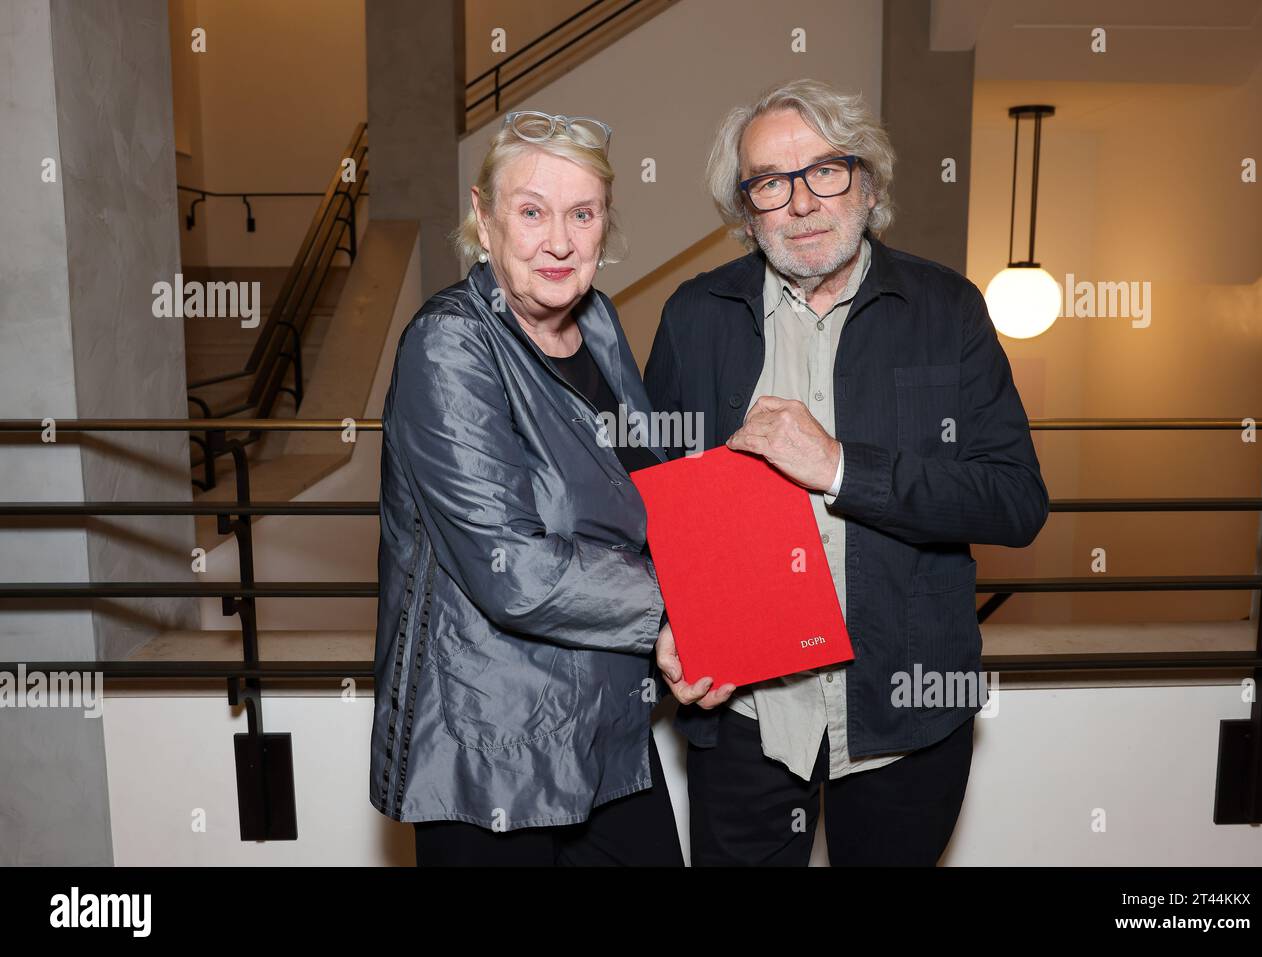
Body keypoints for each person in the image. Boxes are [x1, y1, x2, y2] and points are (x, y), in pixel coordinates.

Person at [646, 79, 1049, 866]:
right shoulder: (695, 317)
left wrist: (839, 466)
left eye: (825, 171)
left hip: (907, 719)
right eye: (770, 182)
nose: (799, 202)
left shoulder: (948, 309)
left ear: (867, 180)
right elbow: (654, 501)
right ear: (745, 206)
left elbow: (1015, 500)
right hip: (747, 717)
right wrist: (667, 616)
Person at [369, 109, 685, 866]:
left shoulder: (600, 323)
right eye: (532, 211)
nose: (560, 241)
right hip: (490, 748)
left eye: (583, 213)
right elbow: (515, 567)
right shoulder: (449, 343)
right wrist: (686, 605)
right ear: (483, 217)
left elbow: (643, 494)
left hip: (610, 720)